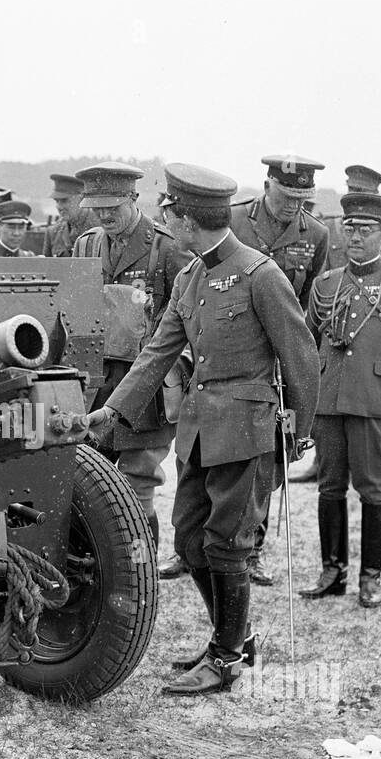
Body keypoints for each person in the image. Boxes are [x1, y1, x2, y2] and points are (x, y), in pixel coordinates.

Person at [86, 163, 319, 694]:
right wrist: (115, 411)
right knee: (191, 541)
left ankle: (227, 656)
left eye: (172, 211)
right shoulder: (191, 275)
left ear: (189, 219)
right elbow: (157, 352)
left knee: (227, 543)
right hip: (198, 430)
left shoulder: (260, 274)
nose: (166, 218)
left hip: (249, 429)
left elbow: (302, 357)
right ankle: (235, 636)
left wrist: (299, 433)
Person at [300, 192, 381, 608]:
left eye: (365, 230)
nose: (355, 236)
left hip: (375, 400)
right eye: (349, 228)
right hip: (329, 400)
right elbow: (307, 342)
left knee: (373, 490)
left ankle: (369, 578)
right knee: (329, 485)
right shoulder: (326, 283)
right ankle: (331, 571)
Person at [71, 161, 190, 554]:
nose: (104, 216)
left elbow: (191, 320)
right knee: (90, 481)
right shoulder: (86, 245)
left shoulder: (168, 248)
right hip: (97, 385)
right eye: (97, 208)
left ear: (134, 199)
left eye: (113, 207)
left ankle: (141, 571)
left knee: (138, 486)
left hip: (148, 390)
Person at [230, 154, 329, 584]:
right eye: (287, 195)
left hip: (276, 357)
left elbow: (307, 298)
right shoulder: (233, 220)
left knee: (268, 454)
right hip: (232, 350)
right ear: (267, 184)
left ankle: (254, 549)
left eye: (302, 198)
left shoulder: (317, 233)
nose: (294, 205)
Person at [324, 165, 381, 272]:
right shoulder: (329, 226)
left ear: (375, 194)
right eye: (350, 189)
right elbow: (318, 277)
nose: (354, 195)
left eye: (360, 190)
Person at [43, 173, 99, 257]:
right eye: (56, 201)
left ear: (81, 198)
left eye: (64, 201)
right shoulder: (53, 233)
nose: (59, 207)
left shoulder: (100, 228)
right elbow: (46, 268)